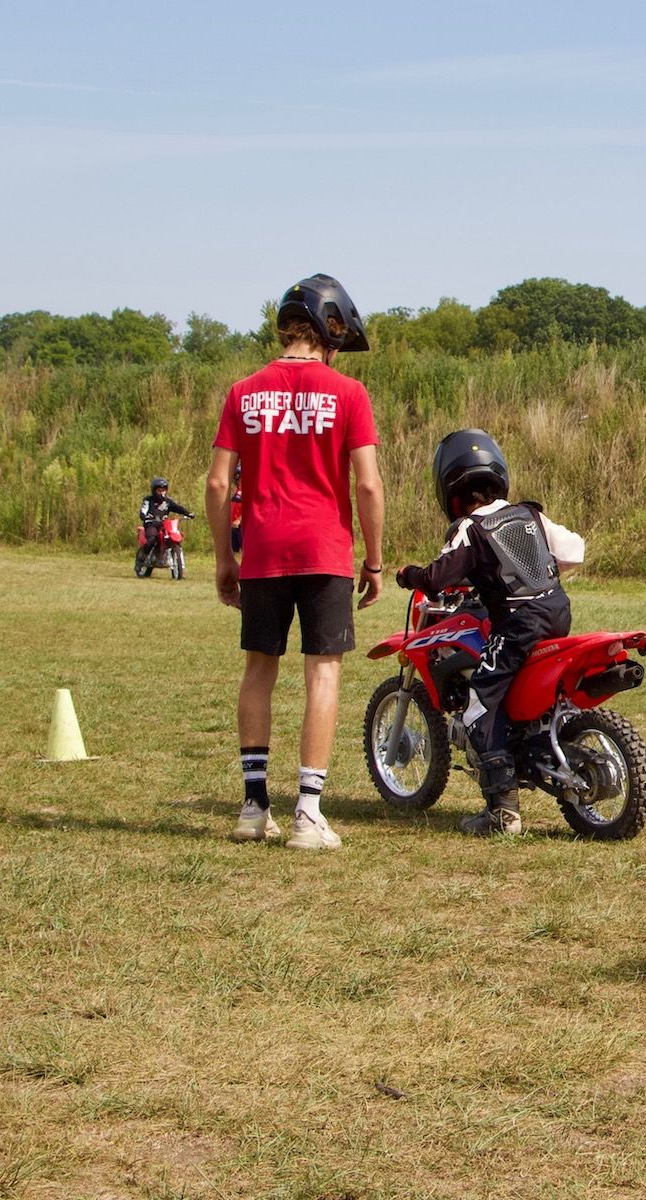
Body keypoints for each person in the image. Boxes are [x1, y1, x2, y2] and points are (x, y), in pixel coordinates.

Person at [206, 273, 385, 851]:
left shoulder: (242, 392)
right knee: (322, 672)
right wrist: (376, 561)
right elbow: (368, 487)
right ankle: (308, 812)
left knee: (259, 668)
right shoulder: (348, 394)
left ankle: (254, 808)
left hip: (261, 549)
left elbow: (215, 484)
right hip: (324, 550)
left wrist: (222, 558)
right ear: (328, 333)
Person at [395, 429, 585, 835]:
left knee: (480, 701)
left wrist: (405, 573)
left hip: (518, 624)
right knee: (517, 682)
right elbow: (574, 551)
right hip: (557, 612)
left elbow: (436, 578)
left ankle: (503, 812)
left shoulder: (470, 527)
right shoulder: (529, 515)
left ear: (452, 491)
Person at [139, 477, 194, 560]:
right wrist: (144, 516)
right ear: (154, 491)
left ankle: (168, 554)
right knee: (152, 539)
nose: (161, 493)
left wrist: (188, 513)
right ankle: (143, 556)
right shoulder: (148, 500)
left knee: (172, 536)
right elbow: (143, 510)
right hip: (151, 524)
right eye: (159, 491)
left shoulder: (167, 502)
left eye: (163, 490)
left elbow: (178, 508)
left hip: (164, 525)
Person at [229, 462, 244, 555]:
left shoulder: (247, 490)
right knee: (234, 552)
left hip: (241, 526)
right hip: (233, 526)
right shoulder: (237, 490)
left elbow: (250, 507)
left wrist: (239, 520)